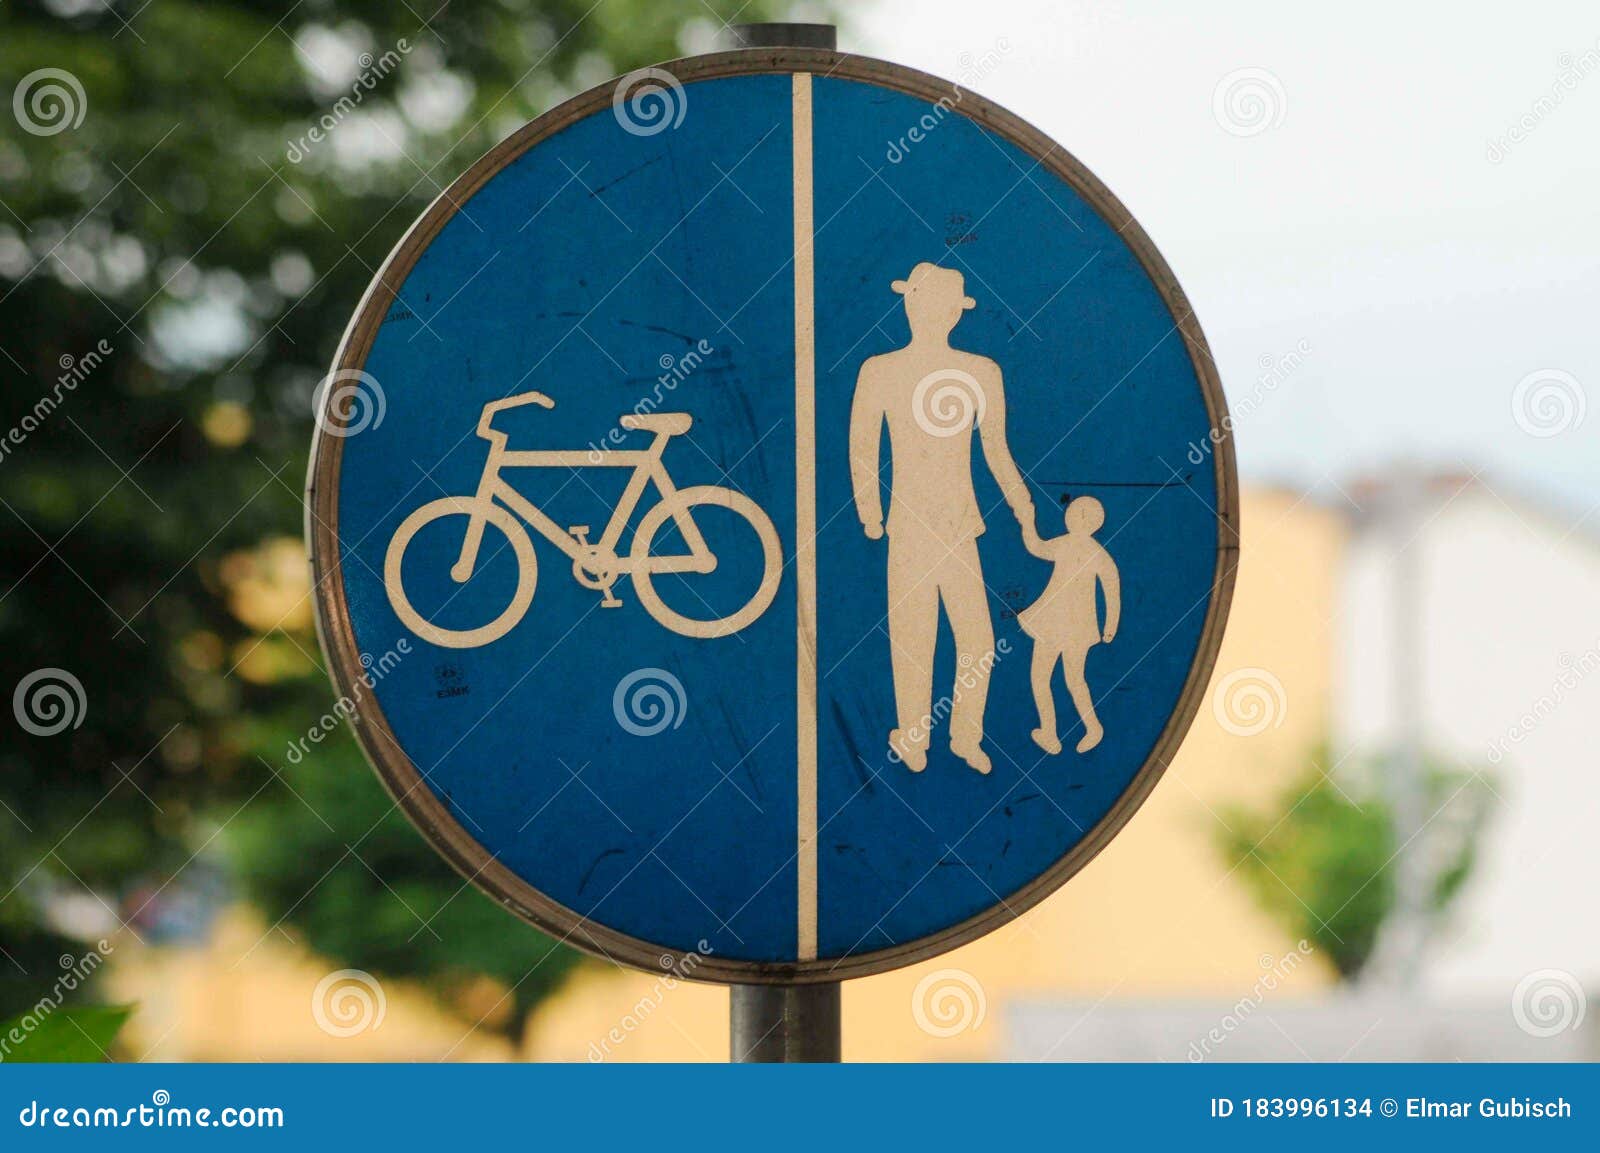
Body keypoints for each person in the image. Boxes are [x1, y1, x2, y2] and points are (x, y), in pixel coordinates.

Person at [850, 263, 1035, 774]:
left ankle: (965, 736)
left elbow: (996, 449)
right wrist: (870, 510)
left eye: (941, 305)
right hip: (906, 523)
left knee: (975, 640)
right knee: (914, 637)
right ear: (913, 306)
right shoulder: (880, 370)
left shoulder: (981, 371)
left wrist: (1023, 504)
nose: (932, 312)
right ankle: (913, 737)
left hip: (958, 523)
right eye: (927, 303)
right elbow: (863, 449)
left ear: (954, 313)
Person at [1019, 496, 1120, 755]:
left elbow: (1035, 546)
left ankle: (1056, 732)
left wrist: (1027, 522)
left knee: (1045, 678)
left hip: (1059, 623)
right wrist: (1109, 626)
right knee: (1070, 680)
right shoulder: (1095, 552)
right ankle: (1075, 729)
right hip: (1071, 625)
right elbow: (1112, 589)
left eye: (1080, 514)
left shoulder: (1081, 549)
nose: (1075, 517)